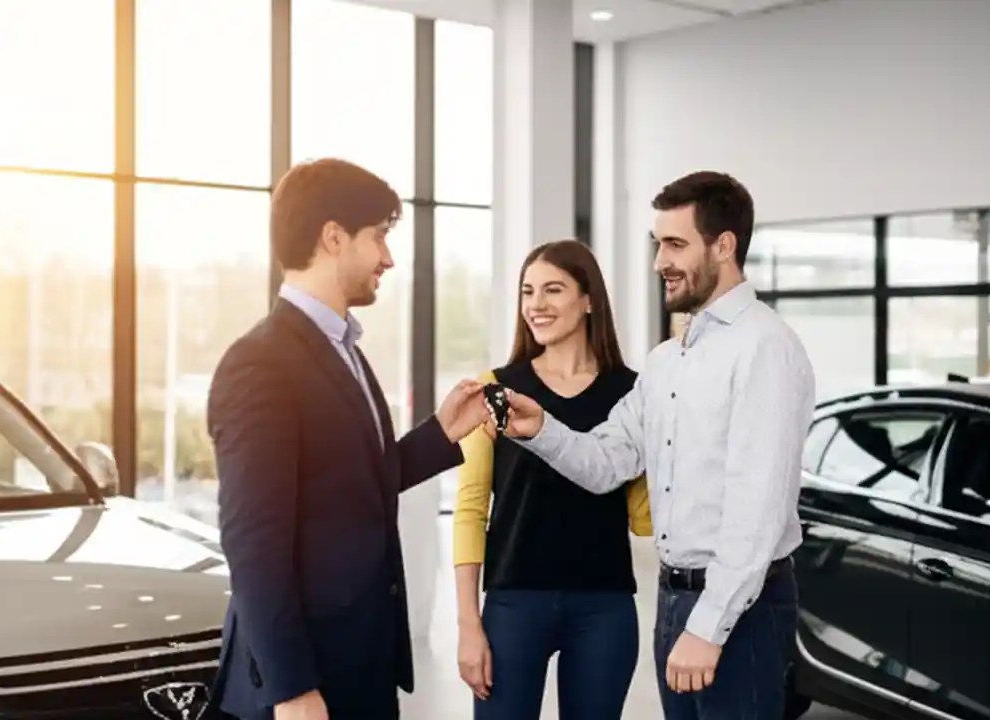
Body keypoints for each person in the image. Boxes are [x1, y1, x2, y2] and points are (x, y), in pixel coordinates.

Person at [497, 171, 816, 720]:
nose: (658, 263)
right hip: (675, 599)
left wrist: (708, 627)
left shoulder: (765, 348)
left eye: (674, 245)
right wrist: (542, 428)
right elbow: (607, 461)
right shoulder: (671, 359)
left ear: (724, 246)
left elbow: (755, 510)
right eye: (657, 245)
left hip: (740, 606)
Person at [207, 158, 490, 720]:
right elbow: (252, 542)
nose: (387, 257)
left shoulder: (344, 349)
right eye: (379, 237)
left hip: (358, 664)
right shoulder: (259, 364)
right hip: (306, 683)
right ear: (333, 237)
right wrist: (291, 689)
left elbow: (353, 480)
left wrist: (440, 434)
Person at [452, 240, 653, 720]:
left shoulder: (634, 392)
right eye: (528, 292)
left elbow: (643, 518)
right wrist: (468, 625)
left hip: (604, 607)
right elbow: (471, 508)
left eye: (553, 290)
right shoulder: (495, 389)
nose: (536, 305)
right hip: (514, 602)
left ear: (588, 301)